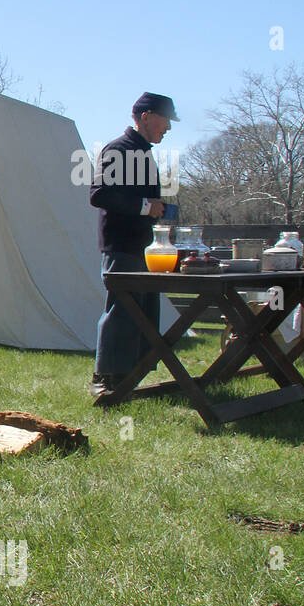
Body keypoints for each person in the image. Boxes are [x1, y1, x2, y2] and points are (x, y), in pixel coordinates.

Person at [89, 92, 180, 397]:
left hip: (144, 246)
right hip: (122, 244)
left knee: (143, 311)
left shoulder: (143, 151)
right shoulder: (118, 149)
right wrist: (145, 207)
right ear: (146, 117)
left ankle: (129, 376)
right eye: (165, 120)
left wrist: (158, 209)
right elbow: (99, 193)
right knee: (121, 309)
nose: (167, 128)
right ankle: (103, 379)